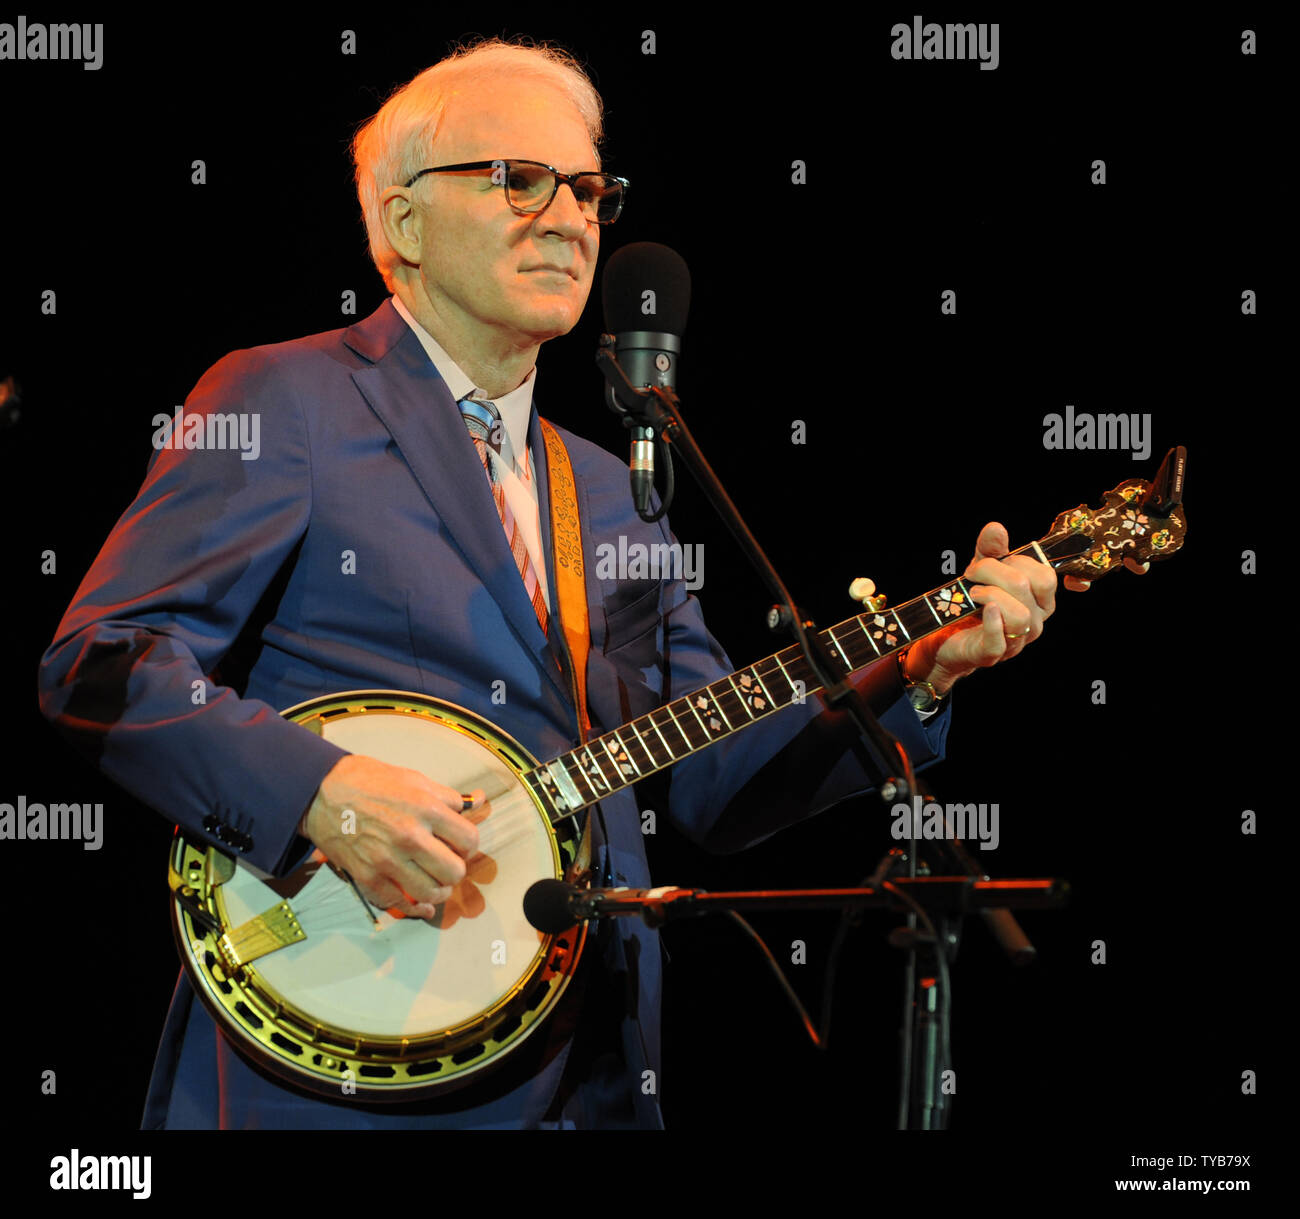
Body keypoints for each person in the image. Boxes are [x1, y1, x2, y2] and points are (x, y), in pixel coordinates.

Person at [37, 37, 1060, 1129]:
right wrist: (319, 795)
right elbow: (99, 665)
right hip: (346, 1055)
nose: (570, 215)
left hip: (591, 1066)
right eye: (517, 180)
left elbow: (714, 783)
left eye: (587, 188)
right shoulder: (286, 401)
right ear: (402, 223)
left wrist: (920, 668)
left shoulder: (616, 490)